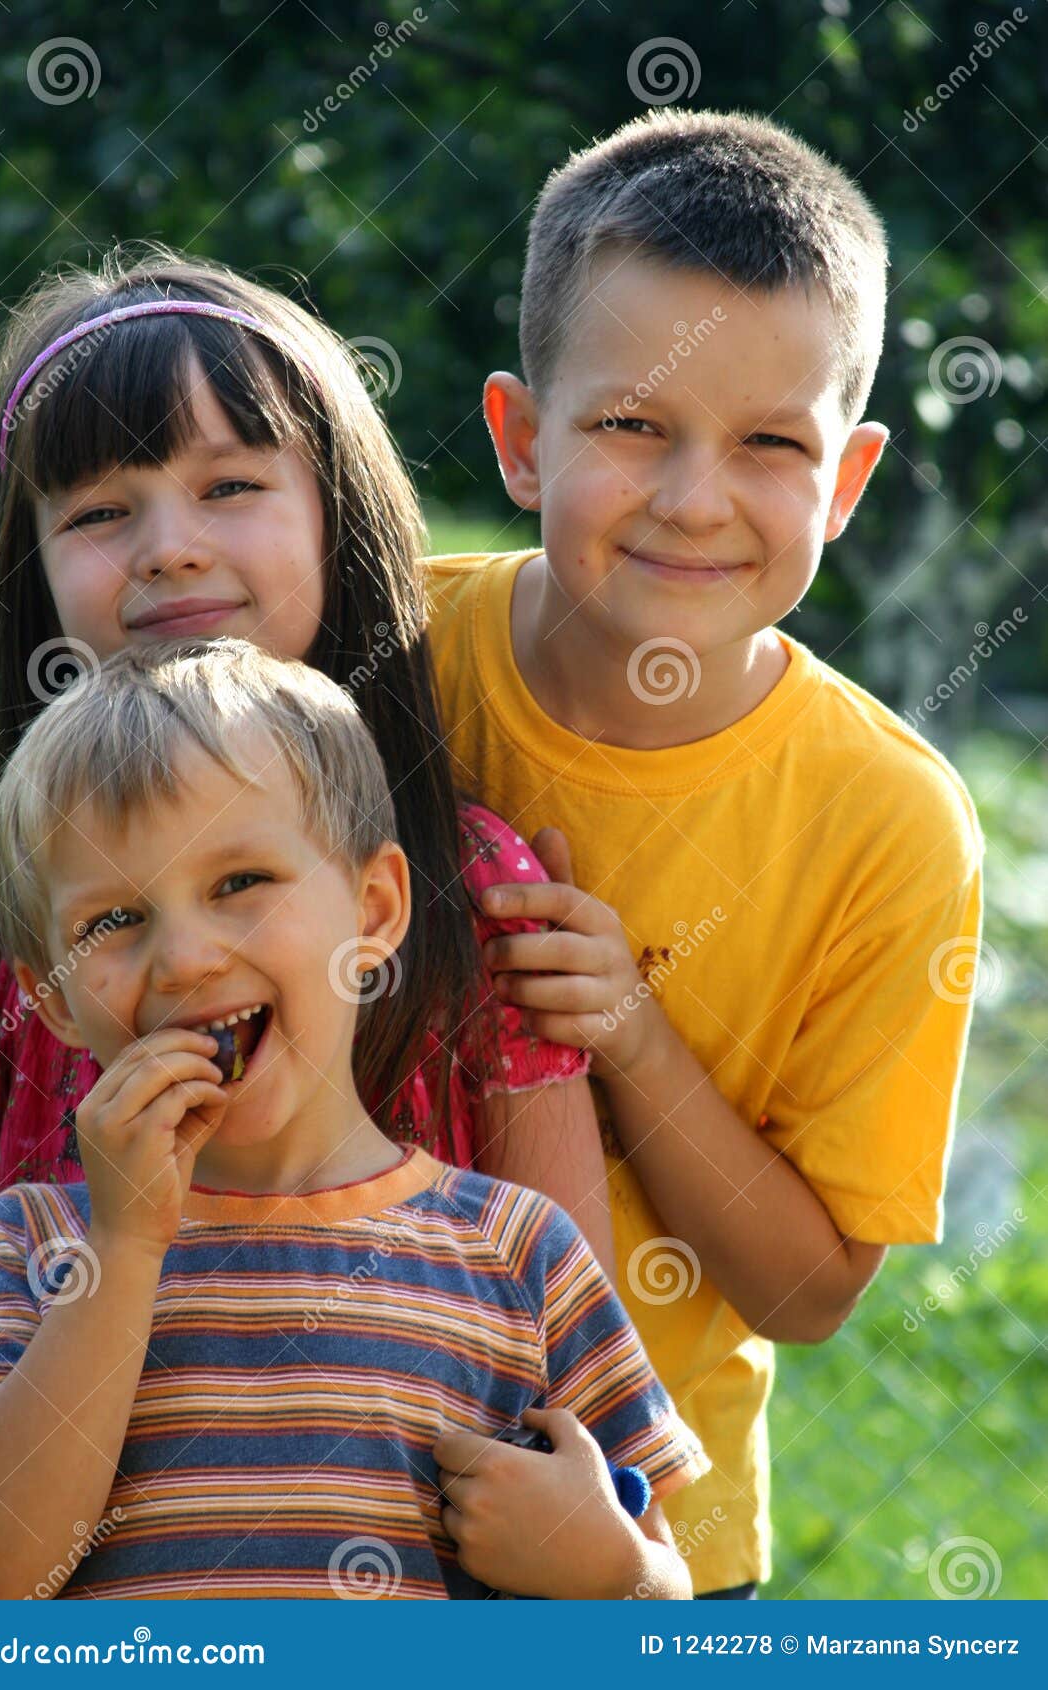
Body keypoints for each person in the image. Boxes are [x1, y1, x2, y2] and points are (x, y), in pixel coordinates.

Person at [423, 107, 985, 1598]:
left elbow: (807, 1291)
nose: (691, 499)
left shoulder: (887, 819)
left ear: (844, 482)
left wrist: (626, 1029)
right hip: (306, 1467)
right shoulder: (381, 654)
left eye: (768, 445)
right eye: (630, 426)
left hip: (648, 1533)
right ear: (519, 439)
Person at [0, 638, 707, 1600]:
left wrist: (611, 1572)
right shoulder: (30, 1247)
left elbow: (665, 1618)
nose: (186, 958)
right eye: (112, 922)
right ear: (52, 996)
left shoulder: (519, 1251)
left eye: (239, 883)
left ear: (372, 911)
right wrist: (122, 1250)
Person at [0, 247, 613, 1271]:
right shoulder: (15, 910)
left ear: (337, 514)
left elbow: (573, 1309)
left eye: (230, 484)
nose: (168, 548)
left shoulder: (469, 886)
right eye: (97, 512)